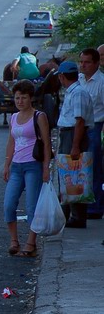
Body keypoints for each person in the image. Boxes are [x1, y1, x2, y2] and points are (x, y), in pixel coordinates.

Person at [2, 79, 51, 257]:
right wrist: (6, 164)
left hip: (33, 166)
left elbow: (46, 144)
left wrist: (46, 167)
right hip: (16, 166)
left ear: (30, 98)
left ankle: (31, 243)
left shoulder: (39, 116)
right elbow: (11, 141)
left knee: (32, 206)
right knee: (8, 204)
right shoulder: (14, 117)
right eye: (17, 98)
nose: (20, 101)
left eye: (23, 98)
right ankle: (14, 240)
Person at [55, 60, 95, 228]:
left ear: (62, 76)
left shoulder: (78, 93)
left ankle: (77, 216)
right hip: (68, 134)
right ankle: (70, 214)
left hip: (73, 135)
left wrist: (75, 145)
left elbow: (79, 121)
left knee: (74, 176)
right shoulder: (73, 91)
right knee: (69, 175)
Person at [78, 48, 104, 219]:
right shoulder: (79, 79)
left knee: (94, 169)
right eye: (81, 62)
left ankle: (95, 207)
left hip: (95, 127)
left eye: (87, 62)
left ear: (96, 63)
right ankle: (78, 203)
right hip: (78, 128)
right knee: (77, 168)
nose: (83, 65)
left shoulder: (101, 82)